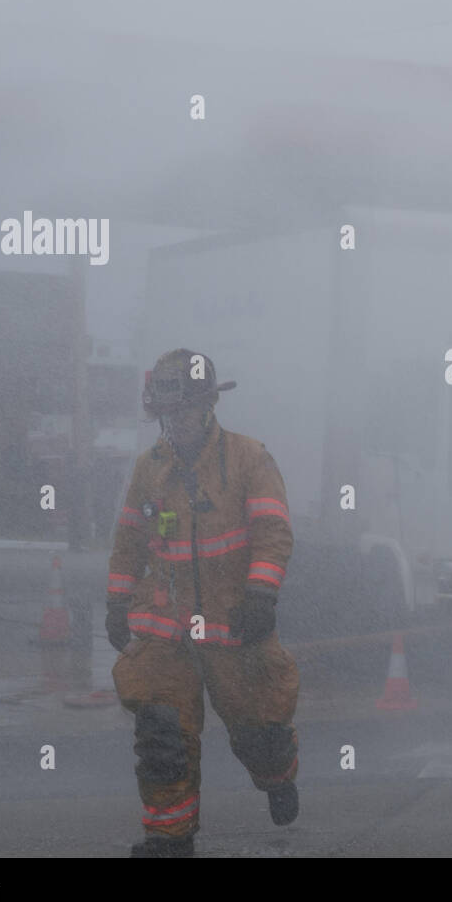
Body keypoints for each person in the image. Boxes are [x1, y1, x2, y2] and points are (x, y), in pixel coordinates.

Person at [106, 349, 300, 857]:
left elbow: (272, 532)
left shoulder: (248, 458)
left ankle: (277, 776)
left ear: (209, 405)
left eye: (187, 409)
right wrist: (116, 600)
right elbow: (128, 541)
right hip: (166, 629)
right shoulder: (149, 470)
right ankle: (169, 839)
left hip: (235, 626)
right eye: (169, 412)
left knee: (260, 730)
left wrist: (260, 595)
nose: (178, 421)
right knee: (161, 735)